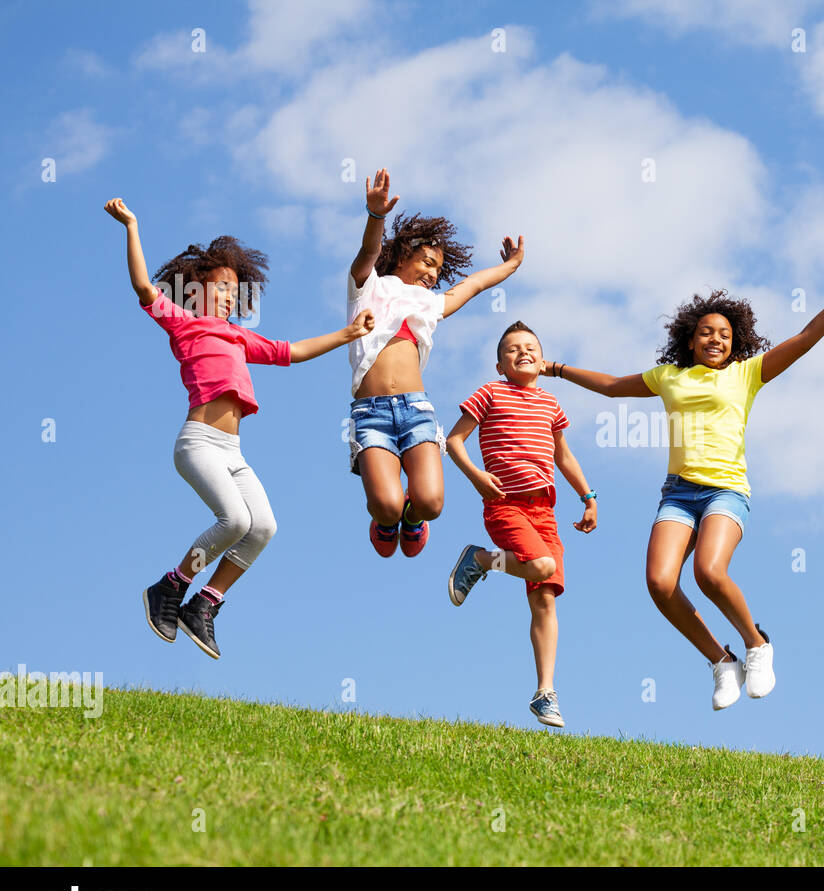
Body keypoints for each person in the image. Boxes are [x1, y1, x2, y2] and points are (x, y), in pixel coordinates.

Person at [543, 242, 824, 709]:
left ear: (736, 342)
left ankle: (756, 644)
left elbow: (807, 336)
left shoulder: (747, 375)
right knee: (660, 584)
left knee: (709, 571)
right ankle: (720, 660)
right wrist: (555, 369)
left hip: (726, 490)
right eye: (706, 333)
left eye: (724, 335)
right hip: (678, 493)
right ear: (690, 339)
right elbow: (610, 387)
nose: (715, 340)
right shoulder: (669, 377)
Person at [105, 198, 374, 659]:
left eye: (235, 290)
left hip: (232, 451)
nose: (231, 296)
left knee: (263, 527)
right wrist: (132, 225)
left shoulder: (239, 336)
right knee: (234, 521)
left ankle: (203, 606)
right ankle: (170, 587)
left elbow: (293, 351)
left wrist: (347, 334)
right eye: (222, 287)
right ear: (196, 292)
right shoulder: (185, 323)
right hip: (198, 444)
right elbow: (142, 287)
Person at [346, 168, 524, 558]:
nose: (432, 273)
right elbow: (368, 254)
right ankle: (389, 518)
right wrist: (376, 215)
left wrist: (509, 268)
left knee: (431, 504)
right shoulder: (368, 288)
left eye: (438, 270)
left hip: (416, 410)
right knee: (386, 504)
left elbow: (472, 285)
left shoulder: (429, 304)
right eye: (426, 262)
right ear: (402, 256)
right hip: (370, 414)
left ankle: (413, 518)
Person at [445, 321, 598, 728]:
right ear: (500, 364)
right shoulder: (490, 393)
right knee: (543, 566)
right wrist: (476, 476)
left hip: (544, 512)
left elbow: (564, 457)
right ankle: (479, 558)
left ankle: (545, 693)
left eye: (530, 347)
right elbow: (453, 441)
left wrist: (588, 497)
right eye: (512, 349)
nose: (523, 352)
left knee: (546, 598)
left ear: (542, 358)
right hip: (505, 505)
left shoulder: (551, 405)